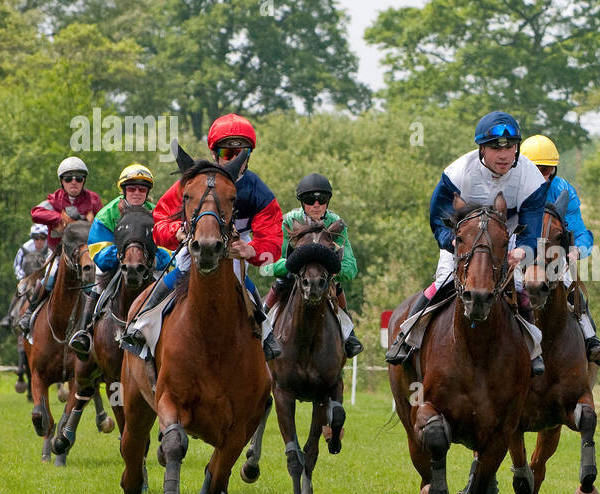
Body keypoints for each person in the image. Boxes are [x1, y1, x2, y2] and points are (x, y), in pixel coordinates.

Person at [384, 110, 548, 374]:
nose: (504, 155)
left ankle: (533, 349)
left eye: (511, 147)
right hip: (463, 240)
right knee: (444, 281)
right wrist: (454, 243)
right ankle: (407, 335)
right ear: (482, 149)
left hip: (504, 241)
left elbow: (532, 228)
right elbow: (438, 218)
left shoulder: (532, 179)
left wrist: (521, 252)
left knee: (519, 285)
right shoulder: (458, 172)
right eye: (495, 148)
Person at [121, 113, 283, 360]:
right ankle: (141, 323)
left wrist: (253, 250)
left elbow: (272, 235)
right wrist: (176, 232)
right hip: (194, 244)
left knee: (243, 283)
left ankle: (266, 331)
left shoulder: (257, 190)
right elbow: (161, 219)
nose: (235, 160)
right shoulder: (192, 183)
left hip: (233, 249)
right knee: (180, 271)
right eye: (229, 153)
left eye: (242, 153)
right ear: (215, 153)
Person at [68, 164, 173, 359]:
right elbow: (97, 248)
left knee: (168, 280)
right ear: (123, 190)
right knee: (98, 279)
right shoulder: (107, 214)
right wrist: (122, 255)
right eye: (131, 188)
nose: (136, 193)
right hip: (116, 264)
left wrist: (153, 259)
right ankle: (85, 332)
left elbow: (168, 247)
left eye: (142, 189)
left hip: (147, 266)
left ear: (147, 191)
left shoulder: (158, 213)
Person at [521, 134, 600, 366]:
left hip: (552, 256)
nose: (543, 174)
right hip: (519, 251)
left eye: (547, 168)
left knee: (571, 286)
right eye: (536, 169)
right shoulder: (513, 187)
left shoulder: (562, 189)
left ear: (554, 168)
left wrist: (577, 250)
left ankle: (590, 339)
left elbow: (579, 230)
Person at [260, 172, 364, 358]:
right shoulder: (288, 221)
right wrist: (295, 263)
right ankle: (262, 326)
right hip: (292, 278)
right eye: (310, 200)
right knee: (281, 282)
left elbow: (351, 267)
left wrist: (332, 270)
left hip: (325, 280)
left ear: (327, 202)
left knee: (335, 286)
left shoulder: (336, 223)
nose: (316, 205)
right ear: (302, 202)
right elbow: (268, 266)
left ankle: (349, 335)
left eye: (321, 199)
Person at [17, 157, 104, 333]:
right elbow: (35, 213)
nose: (74, 182)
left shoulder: (93, 200)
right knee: (49, 278)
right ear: (62, 182)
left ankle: (99, 320)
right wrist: (58, 218)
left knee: (98, 282)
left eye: (79, 178)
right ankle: (30, 312)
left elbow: (102, 221)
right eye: (69, 178)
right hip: (60, 252)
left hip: (86, 253)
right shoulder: (54, 200)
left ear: (83, 181)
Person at [0, 223, 49, 328]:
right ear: (32, 238)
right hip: (28, 275)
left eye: (42, 238)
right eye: (36, 238)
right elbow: (17, 264)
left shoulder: (50, 247)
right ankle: (9, 316)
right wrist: (21, 277)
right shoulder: (26, 247)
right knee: (21, 288)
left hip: (45, 275)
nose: (39, 241)